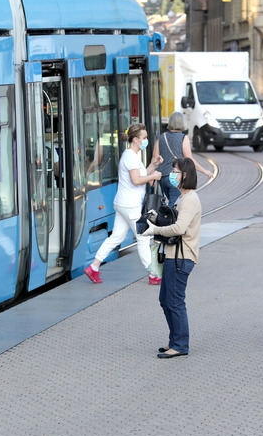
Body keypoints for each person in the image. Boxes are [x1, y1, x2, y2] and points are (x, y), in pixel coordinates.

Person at [84, 124, 163, 285]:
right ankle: (153, 274)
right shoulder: (131, 157)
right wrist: (154, 175)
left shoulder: (131, 156)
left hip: (123, 204)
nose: (146, 140)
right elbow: (137, 180)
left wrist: (153, 165)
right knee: (142, 237)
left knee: (116, 237)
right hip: (131, 205)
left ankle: (94, 267)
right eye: (144, 138)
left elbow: (142, 174)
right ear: (136, 139)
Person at [142, 157, 201, 358]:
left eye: (175, 171)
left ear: (184, 175)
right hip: (173, 255)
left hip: (180, 258)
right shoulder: (182, 197)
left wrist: (154, 230)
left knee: (174, 301)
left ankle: (180, 345)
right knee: (166, 299)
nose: (172, 175)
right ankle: (174, 341)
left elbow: (179, 228)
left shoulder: (190, 199)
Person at [151, 111, 214, 206]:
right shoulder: (183, 138)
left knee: (172, 204)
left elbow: (155, 158)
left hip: (163, 178)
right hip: (176, 177)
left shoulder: (161, 137)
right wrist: (204, 171)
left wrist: (151, 177)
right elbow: (189, 159)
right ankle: (174, 220)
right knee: (175, 206)